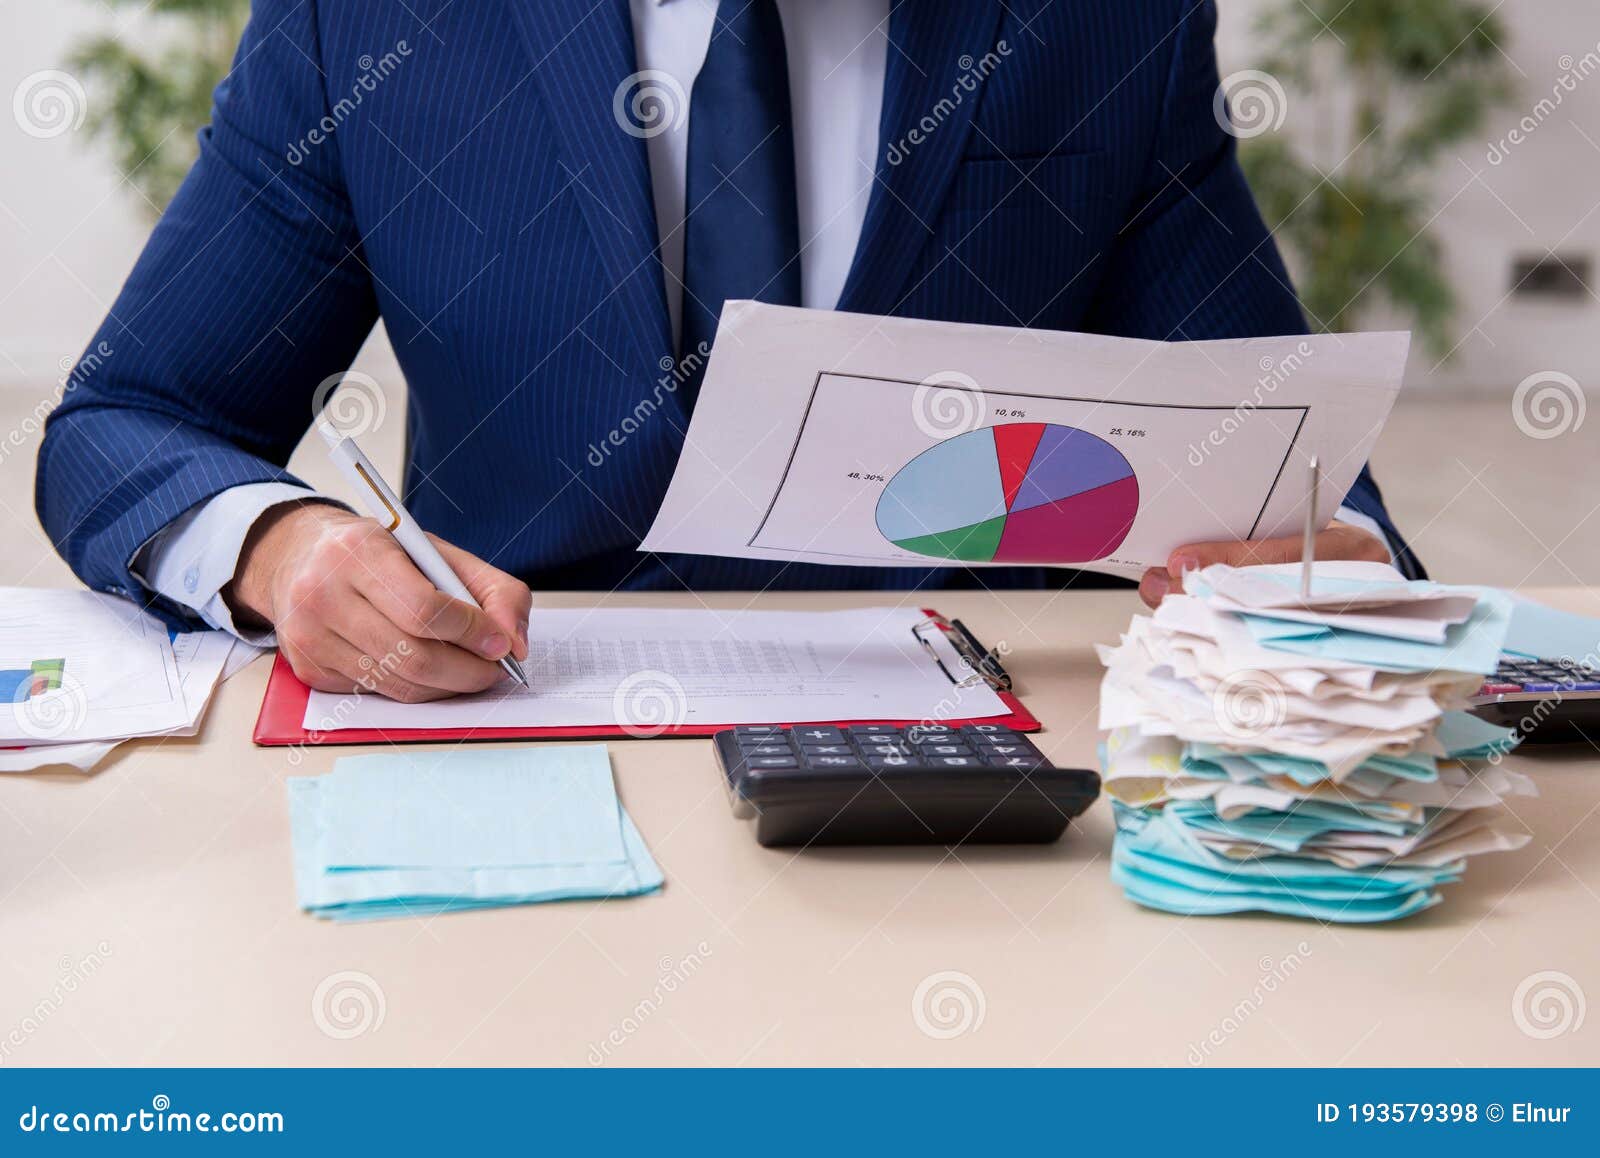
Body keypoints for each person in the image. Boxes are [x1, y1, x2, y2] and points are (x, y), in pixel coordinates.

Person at [36, 0, 1417, 705]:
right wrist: (282, 549)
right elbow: (128, 418)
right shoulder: (378, 21)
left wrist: (1327, 552)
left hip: (978, 766)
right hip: (515, 723)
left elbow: (1286, 455)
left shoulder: (1105, 24)